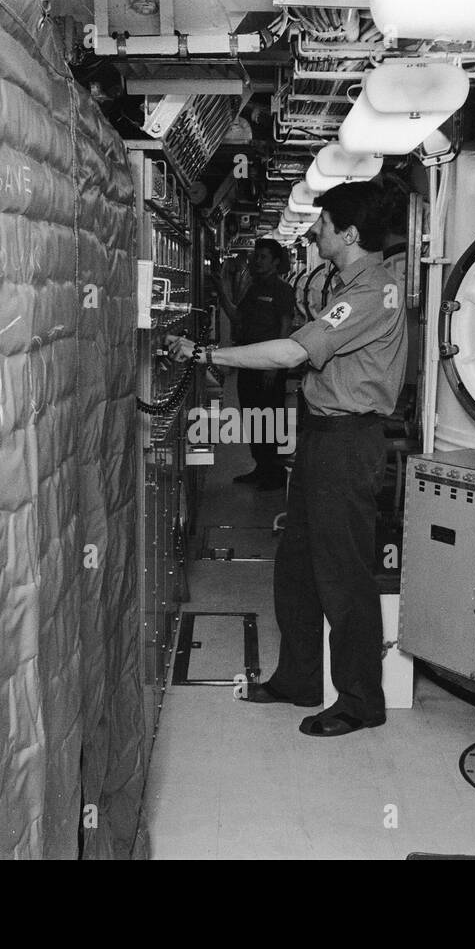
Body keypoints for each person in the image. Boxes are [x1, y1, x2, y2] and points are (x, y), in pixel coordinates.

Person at [168, 181, 405, 737]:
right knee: (296, 565)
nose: (315, 230)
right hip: (325, 437)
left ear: (347, 234)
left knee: (343, 573)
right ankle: (299, 677)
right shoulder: (351, 284)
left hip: (348, 444)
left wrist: (207, 353)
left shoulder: (369, 293)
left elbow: (294, 351)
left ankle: (361, 700)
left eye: (323, 223)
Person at [213, 239, 295, 491]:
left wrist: (275, 366)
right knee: (251, 415)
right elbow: (238, 316)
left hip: (269, 365)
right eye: (256, 257)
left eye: (262, 257)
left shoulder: (282, 290)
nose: (257, 261)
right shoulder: (253, 288)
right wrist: (221, 292)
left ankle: (275, 472)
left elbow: (285, 327)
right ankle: (261, 467)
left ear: (275, 262)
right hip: (249, 361)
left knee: (269, 417)